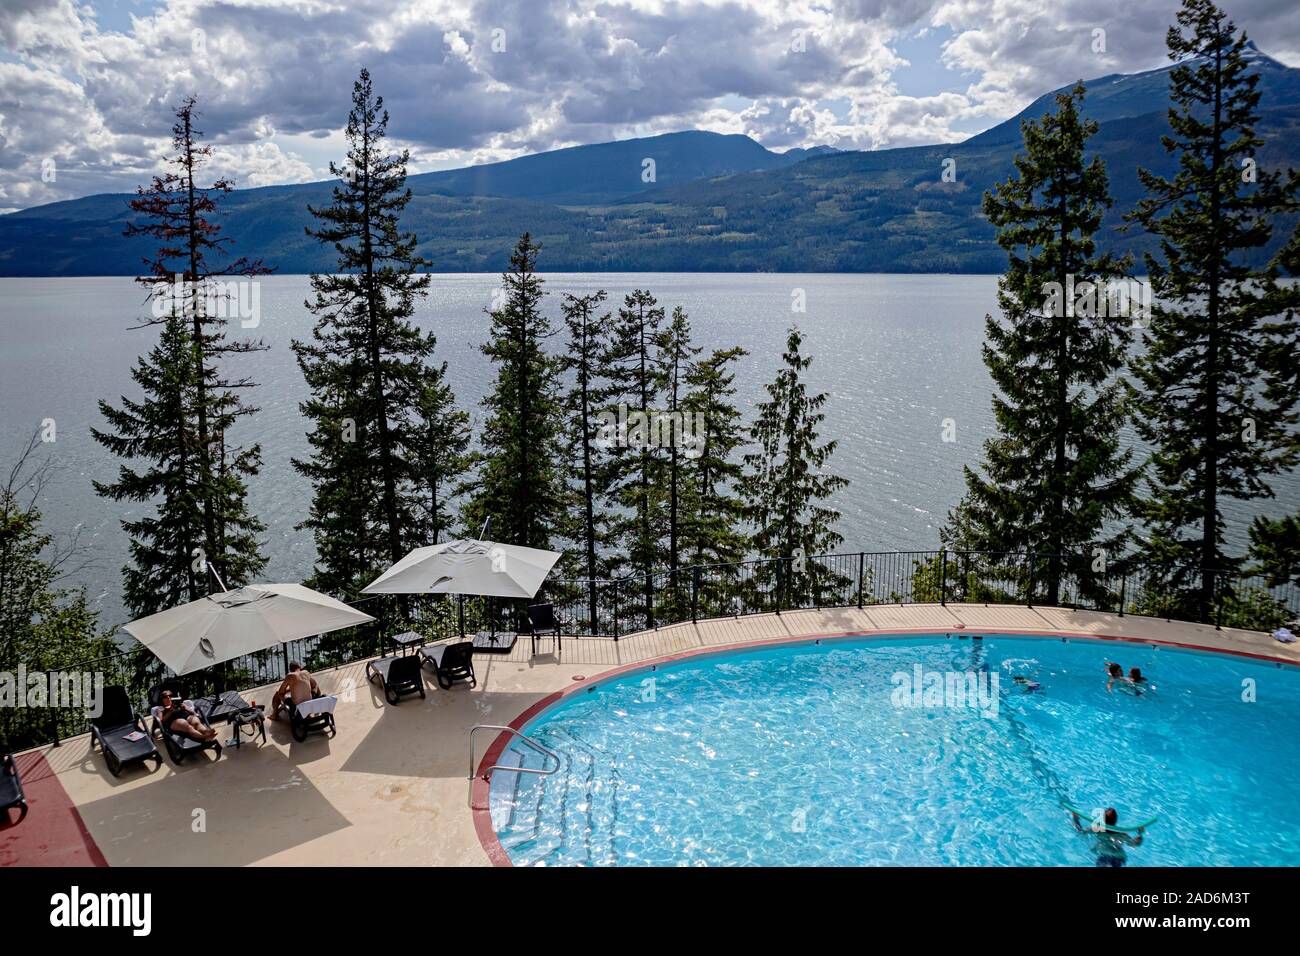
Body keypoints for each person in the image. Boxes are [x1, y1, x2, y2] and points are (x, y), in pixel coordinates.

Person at [1070, 807, 1144, 867]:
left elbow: (1080, 831)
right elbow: (1134, 844)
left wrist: (1075, 819)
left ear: (1103, 820)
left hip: (1103, 855)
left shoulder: (1097, 830)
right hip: (1118, 857)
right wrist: (1140, 834)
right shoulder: (1122, 835)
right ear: (1116, 820)